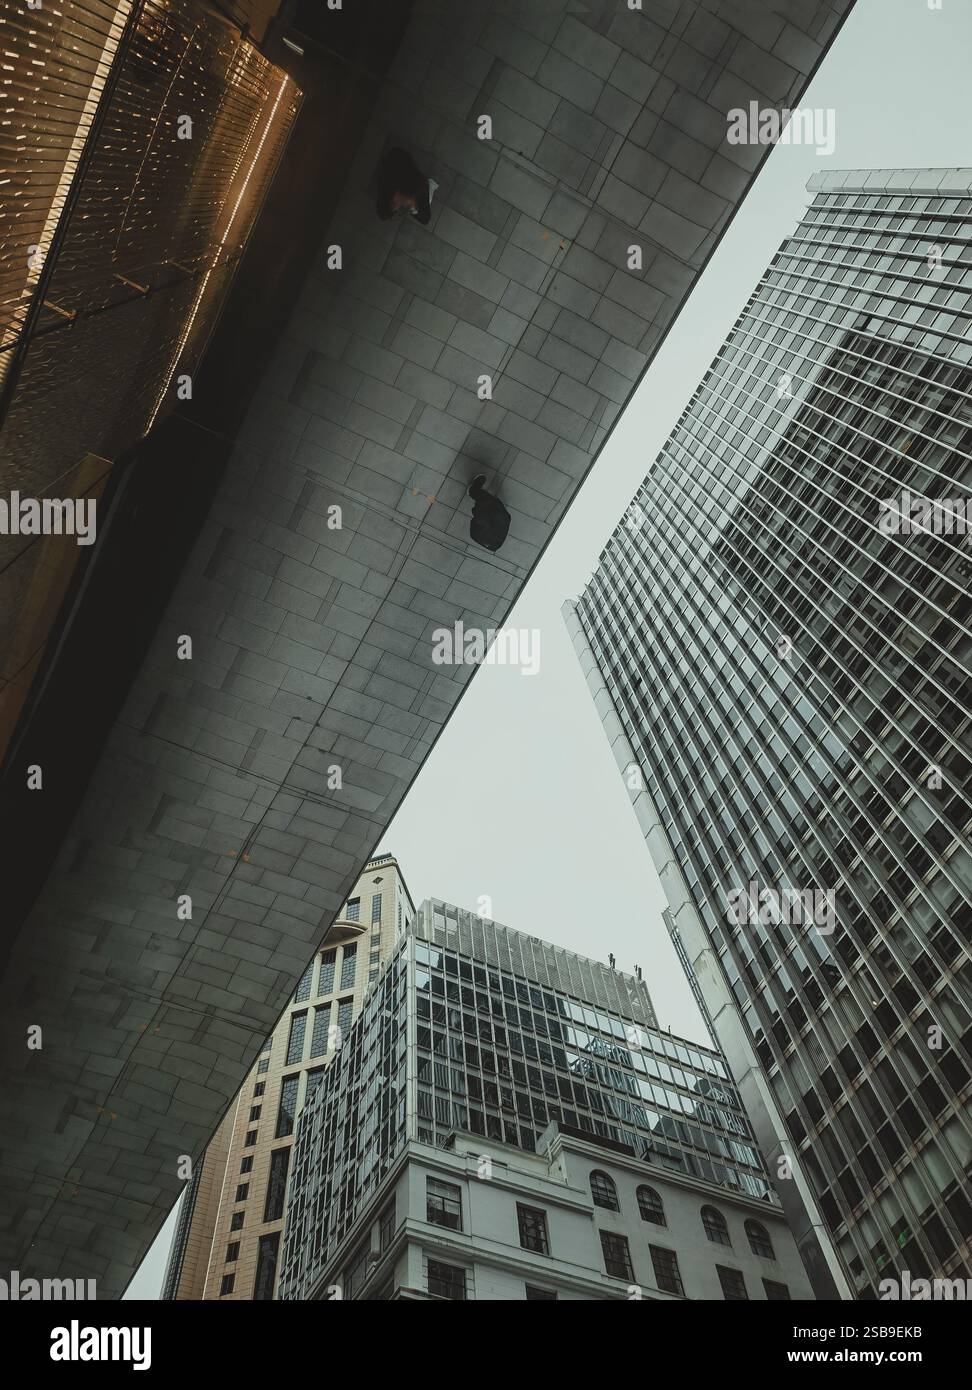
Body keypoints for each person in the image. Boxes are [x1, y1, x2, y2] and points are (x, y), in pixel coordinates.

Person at [376, 147, 437, 225]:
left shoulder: (420, 189)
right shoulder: (387, 184)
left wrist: (412, 205)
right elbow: (383, 214)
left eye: (395, 202)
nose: (396, 201)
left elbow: (425, 219)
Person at [468, 475, 510, 552]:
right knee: (489, 503)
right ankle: (475, 493)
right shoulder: (502, 519)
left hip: (486, 528)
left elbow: (479, 520)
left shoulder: (489, 522)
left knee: (486, 502)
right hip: (491, 526)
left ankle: (473, 491)